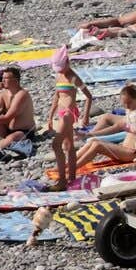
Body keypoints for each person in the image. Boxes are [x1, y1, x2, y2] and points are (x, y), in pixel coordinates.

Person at [75, 83, 136, 168]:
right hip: (124, 149)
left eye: (129, 103)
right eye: (124, 104)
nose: (127, 106)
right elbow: (114, 128)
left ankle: (73, 168)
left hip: (133, 153)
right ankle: (69, 164)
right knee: (92, 141)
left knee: (97, 145)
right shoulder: (129, 111)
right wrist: (87, 134)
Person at [47, 52, 96, 190]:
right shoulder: (59, 76)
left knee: (56, 145)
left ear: (68, 62)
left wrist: (86, 115)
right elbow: (57, 96)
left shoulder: (73, 78)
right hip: (61, 113)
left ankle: (62, 180)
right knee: (69, 146)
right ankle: (72, 178)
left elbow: (88, 96)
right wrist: (50, 116)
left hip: (69, 113)